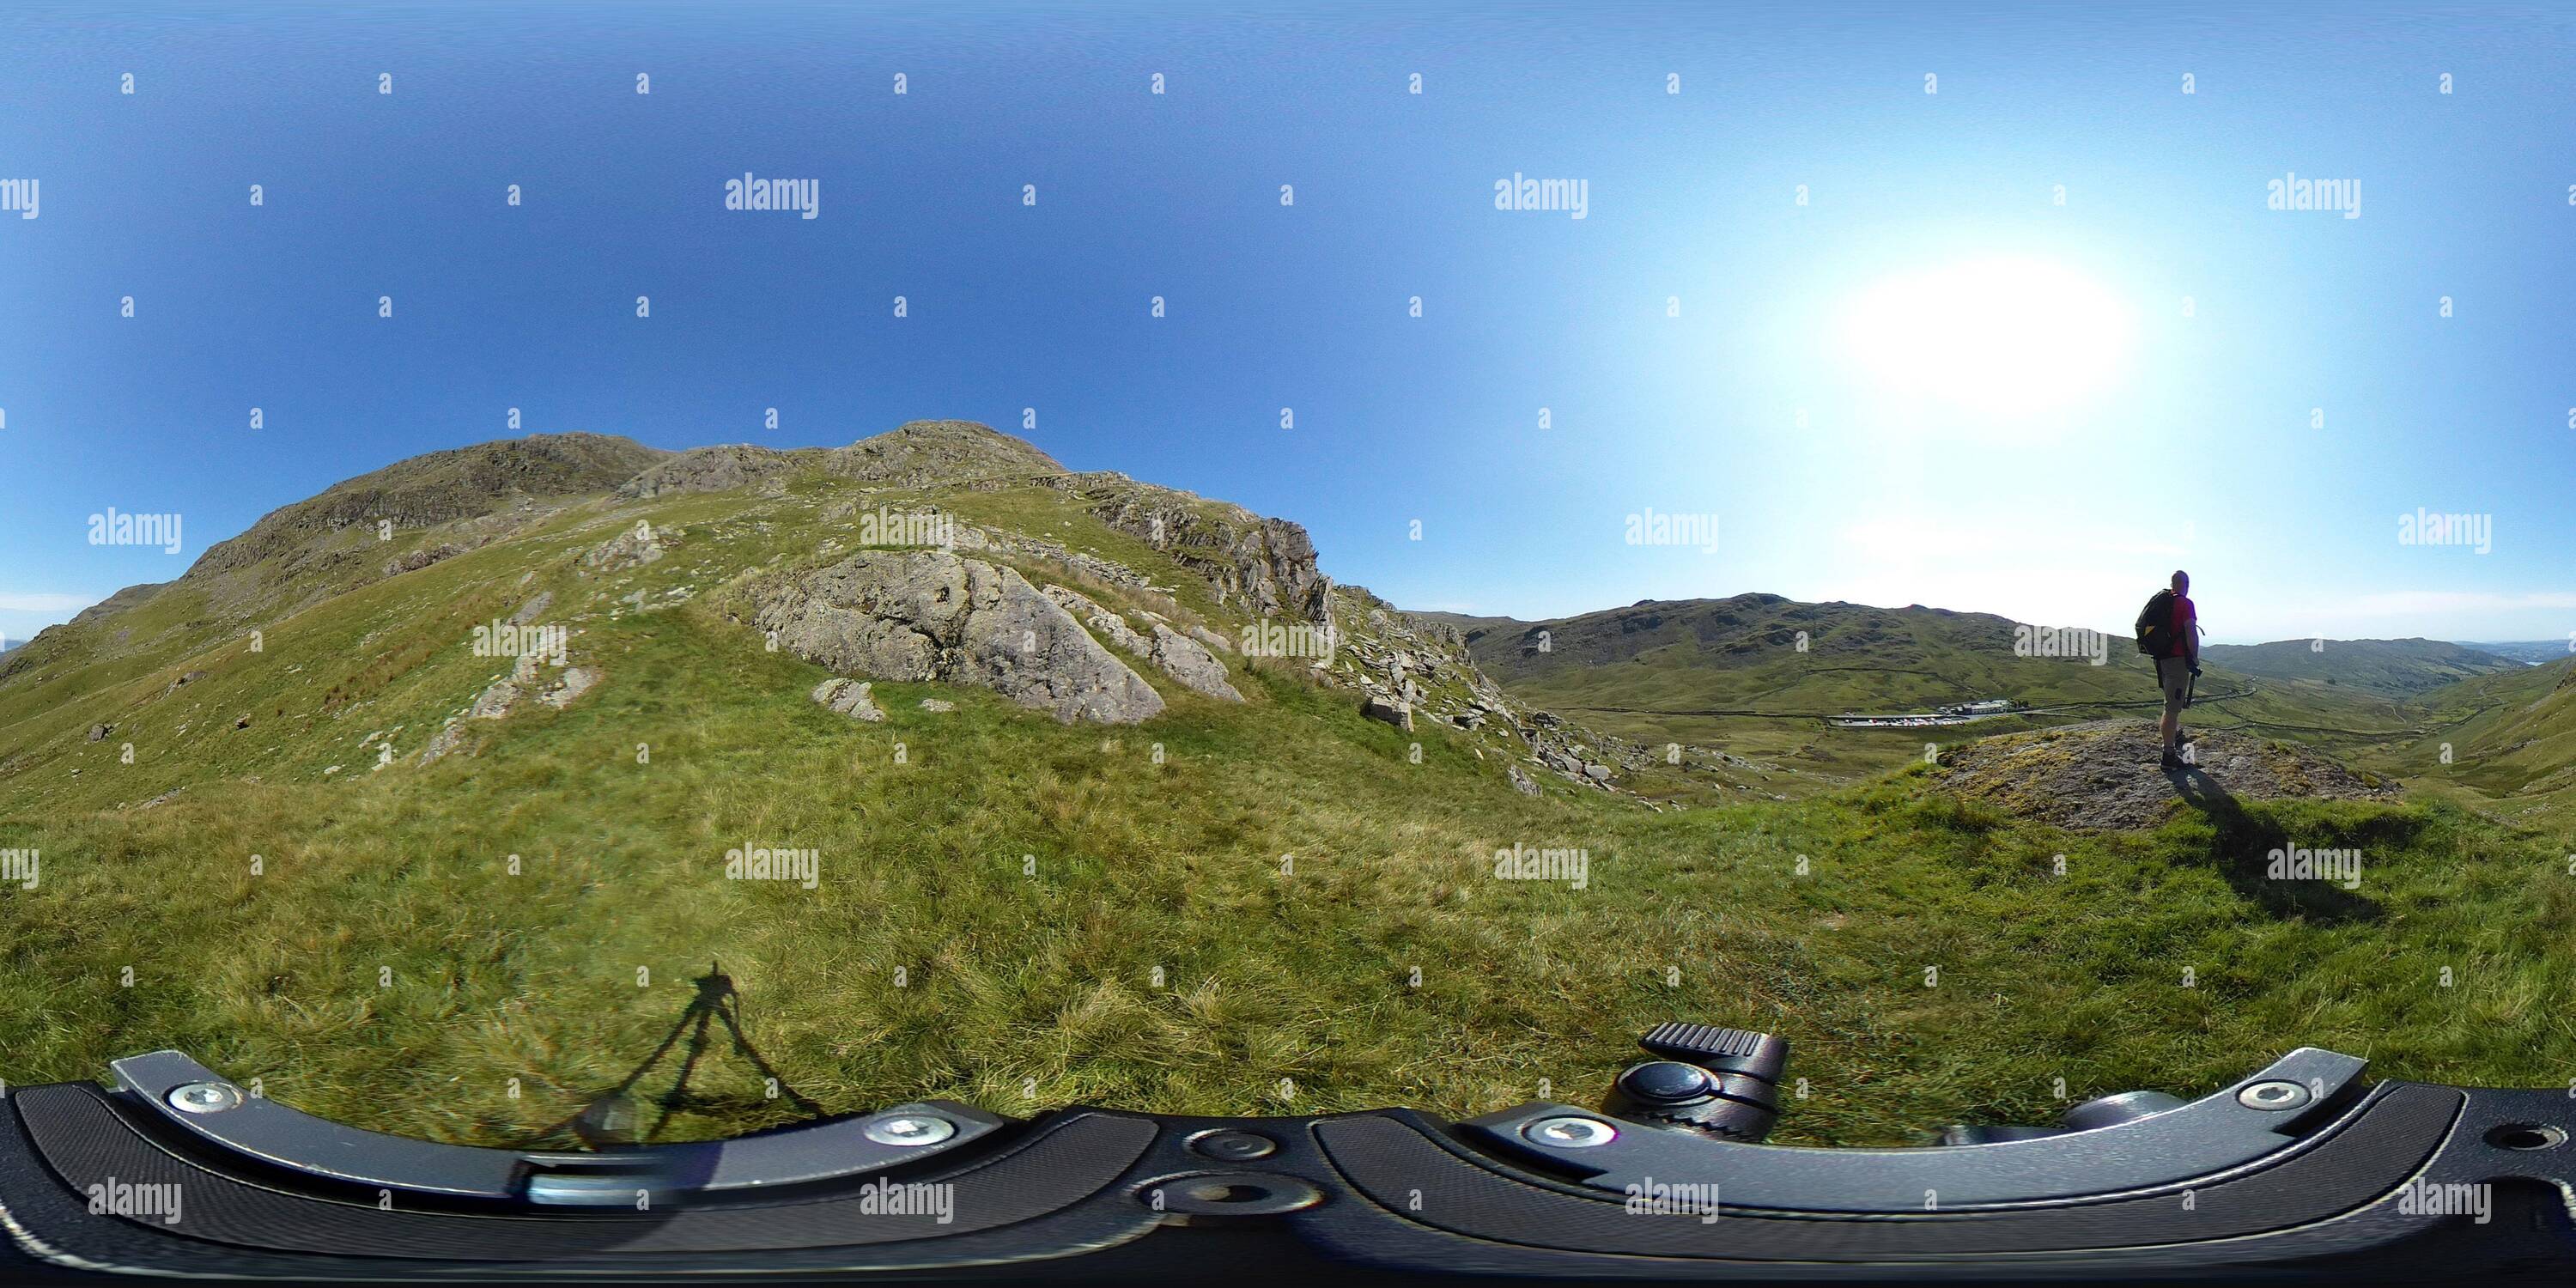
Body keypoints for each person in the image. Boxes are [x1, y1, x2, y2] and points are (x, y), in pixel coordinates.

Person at [2155, 570, 2200, 769]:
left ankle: (2174, 733)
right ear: (2186, 584)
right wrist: (2194, 656)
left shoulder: (2163, 601)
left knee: (2171, 699)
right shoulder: (2185, 603)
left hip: (2162, 658)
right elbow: (2191, 631)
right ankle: (2168, 755)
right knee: (2172, 708)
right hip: (2177, 659)